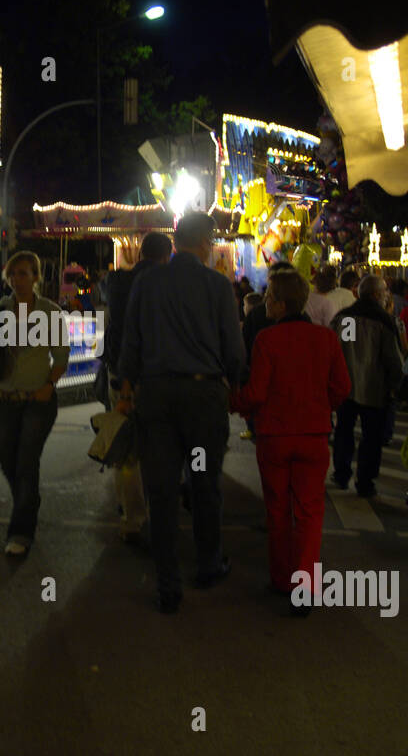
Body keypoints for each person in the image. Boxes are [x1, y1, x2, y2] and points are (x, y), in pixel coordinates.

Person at [117, 214, 243, 614]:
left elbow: (130, 337)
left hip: (156, 398)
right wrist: (233, 382)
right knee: (204, 481)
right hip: (201, 399)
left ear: (175, 241)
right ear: (205, 243)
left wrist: (127, 384)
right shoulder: (217, 286)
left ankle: (167, 583)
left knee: (162, 487)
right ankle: (207, 564)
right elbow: (234, 350)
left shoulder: (147, 282)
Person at [234, 271, 350, 614]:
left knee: (278, 510)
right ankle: (306, 585)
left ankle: (282, 578)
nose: (266, 302)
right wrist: (319, 406)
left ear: (281, 304)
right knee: (310, 512)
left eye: (269, 298)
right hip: (313, 436)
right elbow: (342, 388)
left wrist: (233, 401)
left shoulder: (267, 341)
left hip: (274, 437)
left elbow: (255, 393)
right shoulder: (326, 339)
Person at [0, 251, 70, 557]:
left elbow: (61, 356)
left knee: (25, 461)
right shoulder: (0, 310)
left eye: (24, 273)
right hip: (5, 399)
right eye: (14, 273)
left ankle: (21, 530)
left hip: (37, 399)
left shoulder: (49, 311)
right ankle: (28, 500)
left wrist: (49, 385)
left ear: (35, 277)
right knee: (8, 460)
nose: (18, 279)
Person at [103, 232, 172, 544]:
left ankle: (131, 516)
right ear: (167, 255)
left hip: (119, 374)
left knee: (126, 449)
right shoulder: (168, 286)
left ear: (140, 253)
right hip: (156, 377)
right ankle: (160, 513)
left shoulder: (117, 283)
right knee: (158, 448)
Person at [329, 275, 404, 496]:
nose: (386, 297)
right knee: (371, 438)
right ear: (375, 295)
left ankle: (342, 473)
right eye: (383, 293)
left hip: (347, 388)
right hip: (375, 389)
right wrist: (395, 385)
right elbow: (393, 359)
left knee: (344, 431)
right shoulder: (383, 321)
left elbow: (343, 348)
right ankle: (365, 481)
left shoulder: (347, 318)